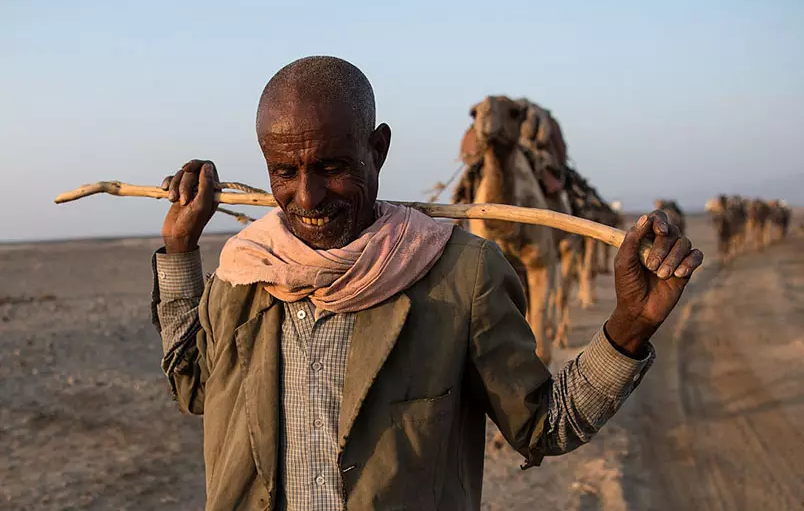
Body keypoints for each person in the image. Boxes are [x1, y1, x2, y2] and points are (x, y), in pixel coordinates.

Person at [151, 56, 704, 511]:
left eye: (332, 166)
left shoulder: (463, 275)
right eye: (285, 173)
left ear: (379, 149)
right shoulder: (245, 273)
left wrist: (631, 325)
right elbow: (195, 387)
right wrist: (180, 252)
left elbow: (541, 426)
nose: (308, 198)